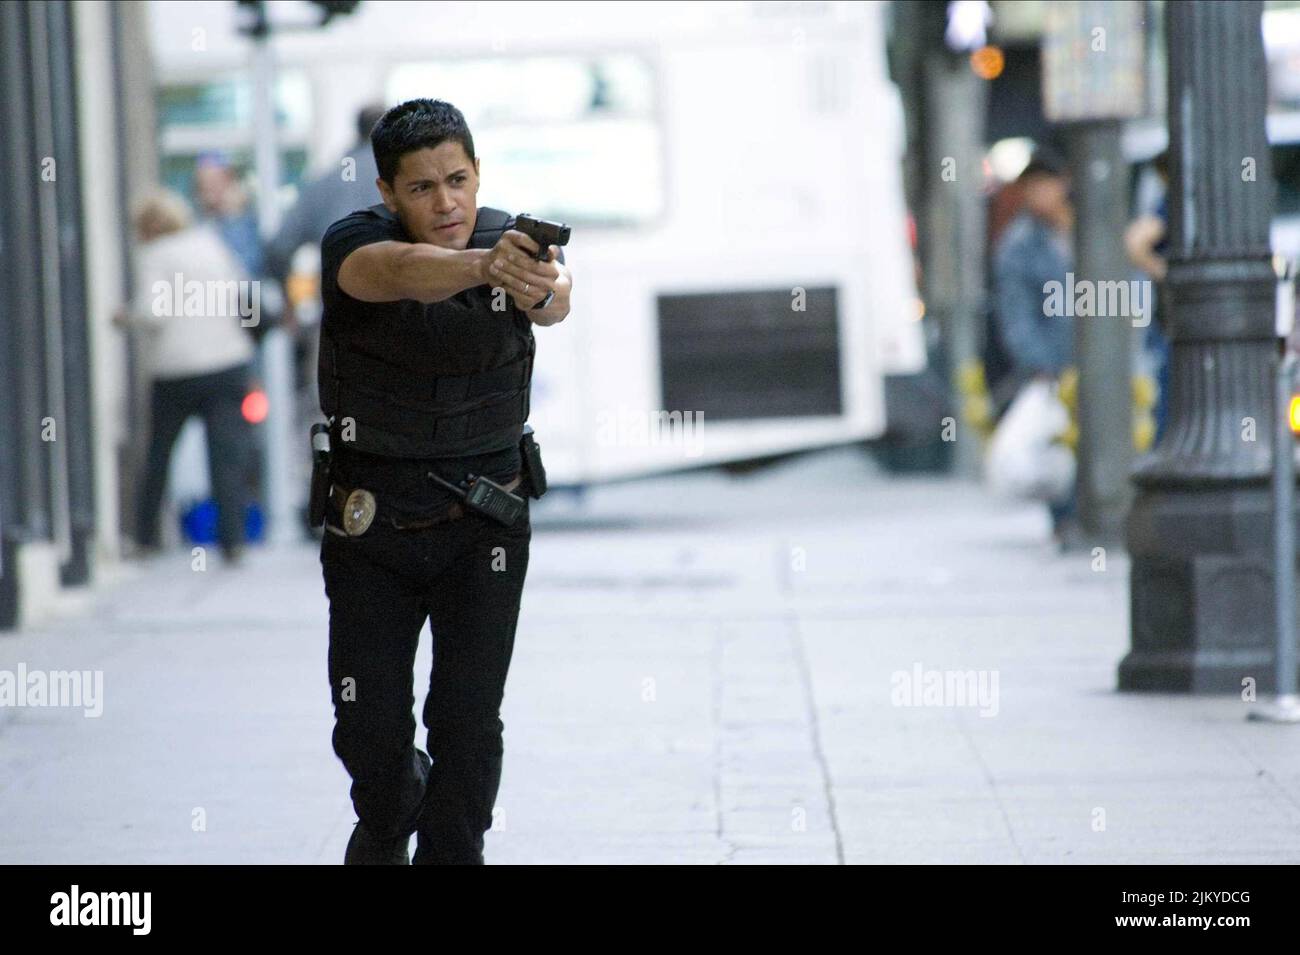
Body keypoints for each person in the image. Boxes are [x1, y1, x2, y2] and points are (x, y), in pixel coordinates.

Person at [317, 98, 573, 864]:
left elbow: (556, 298)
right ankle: (392, 813)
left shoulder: (510, 242)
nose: (446, 201)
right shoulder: (356, 242)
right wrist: (482, 269)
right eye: (423, 187)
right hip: (374, 527)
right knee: (370, 726)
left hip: (485, 523)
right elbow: (400, 273)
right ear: (389, 192)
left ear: (478, 173)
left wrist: (538, 284)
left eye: (457, 179)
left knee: (468, 719)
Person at [116, 190, 256, 565]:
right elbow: (242, 291)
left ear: (147, 227)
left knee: (160, 452)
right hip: (227, 362)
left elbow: (153, 310)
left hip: (177, 370)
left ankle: (144, 537)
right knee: (225, 457)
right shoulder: (209, 243)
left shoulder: (155, 254)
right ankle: (233, 542)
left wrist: (124, 317)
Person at [991, 152, 1078, 546]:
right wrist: (1040, 364)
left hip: (1096, 359)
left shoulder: (1086, 229)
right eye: (1034, 185)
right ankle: (1067, 520)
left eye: (1049, 183)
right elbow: (1016, 315)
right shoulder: (1019, 246)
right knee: (1058, 444)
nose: (1043, 193)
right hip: (1055, 364)